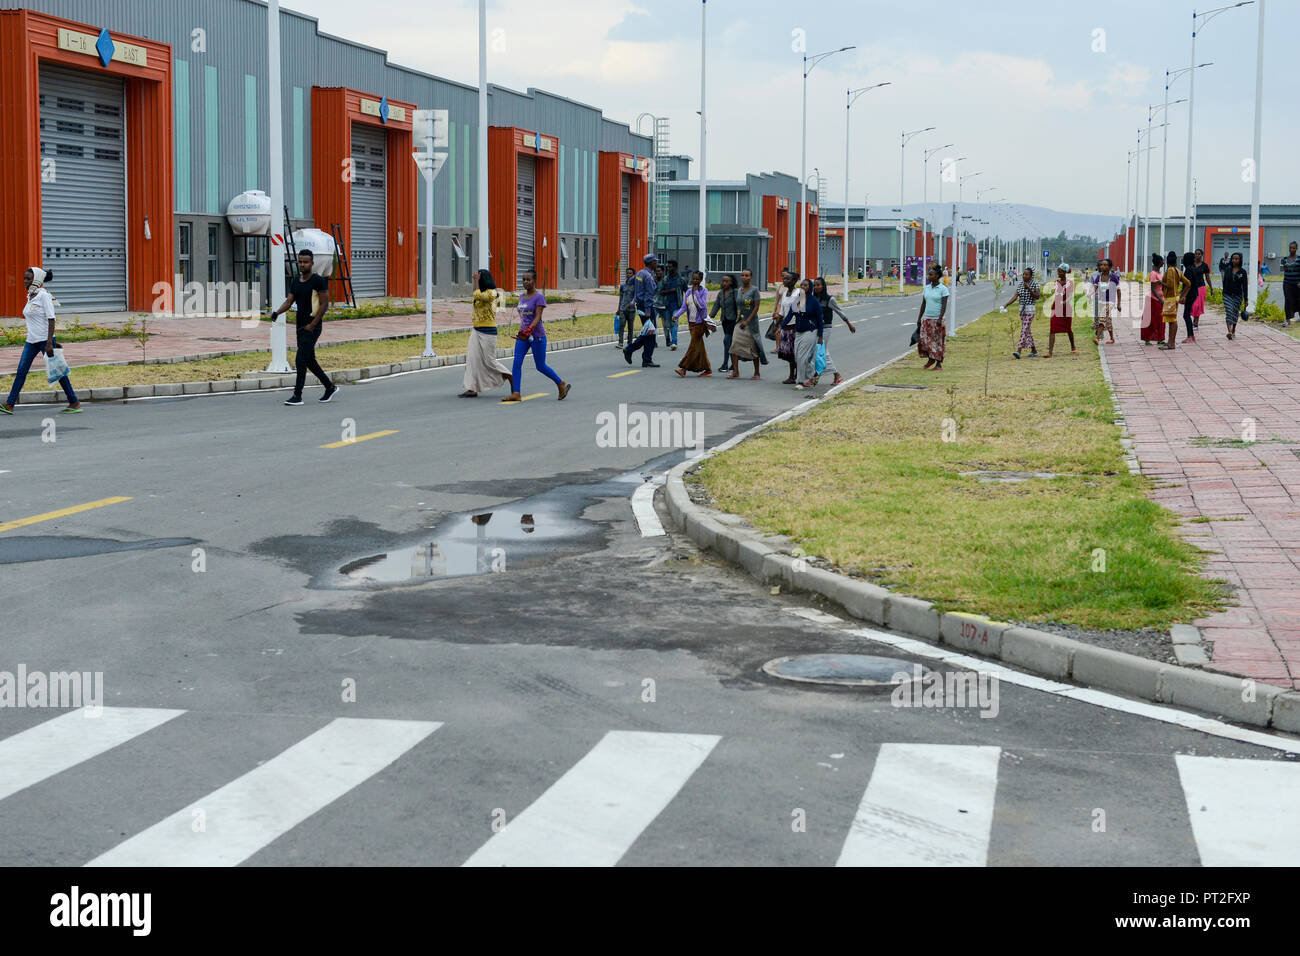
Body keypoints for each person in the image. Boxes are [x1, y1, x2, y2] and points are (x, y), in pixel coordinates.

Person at [1, 267, 81, 415]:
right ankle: (10, 404)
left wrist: (50, 342)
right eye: (24, 278)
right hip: (31, 340)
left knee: (58, 372)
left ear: (36, 280)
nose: (25, 281)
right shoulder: (30, 296)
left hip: (45, 340)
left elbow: (51, 319)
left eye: (28, 278)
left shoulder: (43, 296)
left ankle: (74, 402)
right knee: (21, 371)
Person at [271, 248, 336, 406]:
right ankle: (330, 387)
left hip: (312, 326)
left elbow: (324, 304)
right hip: (300, 326)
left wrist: (313, 324)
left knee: (300, 359)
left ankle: (297, 395)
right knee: (309, 360)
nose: (302, 264)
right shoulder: (296, 281)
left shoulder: (318, 281)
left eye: (305, 262)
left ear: (312, 263)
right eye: (300, 261)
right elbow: (289, 301)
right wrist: (277, 312)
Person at [501, 270, 570, 402]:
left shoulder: (539, 297)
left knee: (540, 366)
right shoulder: (521, 297)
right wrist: (523, 331)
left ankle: (560, 383)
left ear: (534, 281)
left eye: (529, 279)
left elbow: (538, 316)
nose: (526, 282)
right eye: (524, 280)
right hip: (523, 337)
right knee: (516, 363)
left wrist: (530, 329)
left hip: (537, 336)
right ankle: (516, 393)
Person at [459, 269, 513, 398]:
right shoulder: (482, 292)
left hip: (488, 332)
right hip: (476, 330)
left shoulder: (493, 293)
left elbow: (479, 296)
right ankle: (472, 388)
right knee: (472, 359)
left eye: (478, 277)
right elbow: (476, 294)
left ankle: (510, 376)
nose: (476, 278)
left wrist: (476, 281)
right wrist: (476, 282)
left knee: (489, 361)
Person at [811, 276, 856, 386]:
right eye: (815, 285)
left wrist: (849, 324)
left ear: (823, 286)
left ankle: (835, 375)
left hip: (826, 329)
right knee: (817, 353)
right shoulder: (813, 299)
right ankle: (818, 374)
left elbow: (839, 311)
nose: (816, 287)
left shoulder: (829, 299)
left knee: (821, 352)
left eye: (818, 285)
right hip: (814, 329)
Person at [780, 277, 823, 390]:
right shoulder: (798, 300)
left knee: (802, 357)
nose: (803, 287)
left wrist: (820, 335)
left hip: (810, 331)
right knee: (797, 356)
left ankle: (801, 381)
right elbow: (790, 315)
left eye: (806, 285)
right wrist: (781, 326)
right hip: (798, 331)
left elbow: (819, 319)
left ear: (810, 287)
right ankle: (812, 374)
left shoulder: (814, 301)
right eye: (802, 285)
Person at [623, 254, 661, 368]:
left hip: (640, 305)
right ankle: (632, 350)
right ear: (651, 263)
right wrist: (648, 310)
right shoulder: (648, 277)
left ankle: (644, 358)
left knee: (648, 332)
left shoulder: (640, 273)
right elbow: (649, 295)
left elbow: (630, 281)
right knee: (650, 332)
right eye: (655, 261)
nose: (657, 263)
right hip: (646, 307)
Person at [673, 271, 713, 377]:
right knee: (699, 346)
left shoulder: (704, 291)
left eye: (697, 279)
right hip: (691, 323)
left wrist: (696, 293)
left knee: (693, 346)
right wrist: (676, 316)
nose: (695, 281)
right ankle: (707, 369)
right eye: (693, 279)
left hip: (700, 323)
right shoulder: (688, 292)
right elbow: (684, 307)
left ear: (700, 280)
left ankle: (683, 368)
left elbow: (702, 305)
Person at [916, 263, 950, 371]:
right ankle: (931, 358)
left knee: (938, 341)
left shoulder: (943, 289)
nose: (928, 276)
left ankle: (938, 364)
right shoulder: (926, 288)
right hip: (927, 319)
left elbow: (944, 305)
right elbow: (923, 304)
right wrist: (919, 318)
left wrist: (940, 318)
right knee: (924, 341)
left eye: (930, 275)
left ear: (936, 276)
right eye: (928, 274)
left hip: (937, 319)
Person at [1004, 267, 1040, 359]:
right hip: (1022, 310)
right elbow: (1015, 296)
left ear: (1031, 276)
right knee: (1027, 331)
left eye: (1026, 274)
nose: (1024, 276)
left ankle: (1018, 351)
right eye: (1023, 274)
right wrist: (1006, 304)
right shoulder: (1020, 285)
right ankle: (1034, 351)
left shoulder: (1035, 284)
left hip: (1030, 310)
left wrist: (1029, 288)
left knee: (1024, 330)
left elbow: (1037, 296)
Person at [774, 271, 803, 383]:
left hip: (796, 327)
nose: (784, 281)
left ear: (794, 281)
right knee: (789, 354)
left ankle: (798, 375)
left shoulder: (800, 293)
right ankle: (792, 375)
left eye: (788, 279)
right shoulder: (785, 294)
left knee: (797, 353)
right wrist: (777, 324)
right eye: (784, 279)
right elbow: (782, 311)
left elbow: (803, 310)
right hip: (786, 327)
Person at [1159, 251, 1190, 350]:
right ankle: (1170, 342)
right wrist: (1182, 294)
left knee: (1172, 321)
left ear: (1167, 261)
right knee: (1171, 321)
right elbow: (1188, 283)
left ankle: (1171, 343)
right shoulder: (1177, 270)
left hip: (1170, 299)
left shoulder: (1170, 271)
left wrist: (1160, 282)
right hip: (1174, 298)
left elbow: (1169, 285)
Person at [1045, 264, 1076, 357]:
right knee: (1052, 328)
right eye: (1058, 271)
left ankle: (1073, 347)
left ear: (1065, 272)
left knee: (1068, 329)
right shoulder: (1056, 282)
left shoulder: (1070, 283)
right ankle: (1050, 352)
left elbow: (1070, 296)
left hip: (1066, 308)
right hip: (1056, 307)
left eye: (1060, 271)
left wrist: (1064, 302)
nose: (1058, 273)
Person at [738, 268, 767, 366]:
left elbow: (756, 307)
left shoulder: (754, 290)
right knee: (737, 343)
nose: (744, 277)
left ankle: (757, 371)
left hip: (751, 321)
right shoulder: (739, 290)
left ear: (751, 277)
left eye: (747, 275)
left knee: (754, 344)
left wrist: (748, 320)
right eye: (742, 275)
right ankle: (735, 370)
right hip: (740, 322)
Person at [1087, 258, 1120, 345]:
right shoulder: (1099, 277)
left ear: (1109, 267)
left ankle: (1097, 338)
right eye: (1102, 265)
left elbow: (1118, 291)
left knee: (1102, 319)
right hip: (1101, 301)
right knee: (1108, 320)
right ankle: (1112, 338)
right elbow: (1095, 287)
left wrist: (1119, 303)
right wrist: (1090, 293)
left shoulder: (1114, 277)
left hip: (1110, 302)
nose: (1102, 266)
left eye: (1105, 265)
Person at [711, 273, 739, 372]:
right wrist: (710, 316)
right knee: (730, 343)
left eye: (727, 281)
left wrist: (740, 318)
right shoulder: (721, 293)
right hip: (724, 320)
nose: (724, 283)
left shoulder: (735, 292)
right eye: (723, 281)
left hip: (733, 320)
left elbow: (739, 305)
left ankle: (725, 364)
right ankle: (733, 364)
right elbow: (716, 305)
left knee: (726, 341)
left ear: (731, 283)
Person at [1182, 249, 1211, 340]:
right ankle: (1191, 334)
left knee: (1189, 312)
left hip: (1194, 291)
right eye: (1196, 254)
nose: (1197, 256)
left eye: (1199, 254)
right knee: (1188, 312)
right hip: (1194, 291)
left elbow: (1188, 284)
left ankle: (1191, 333)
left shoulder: (1190, 270)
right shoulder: (1192, 268)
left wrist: (1183, 295)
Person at [658, 260, 686, 349]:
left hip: (677, 306)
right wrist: (670, 291)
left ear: (675, 267)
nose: (668, 268)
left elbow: (687, 291)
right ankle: (671, 340)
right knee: (668, 325)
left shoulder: (681, 280)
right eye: (667, 267)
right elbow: (661, 292)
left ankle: (674, 342)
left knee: (674, 323)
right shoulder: (665, 279)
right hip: (667, 306)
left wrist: (687, 303)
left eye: (670, 267)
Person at [1221, 252, 1248, 340]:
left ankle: (1233, 331)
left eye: (1236, 259)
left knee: (1235, 314)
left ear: (1240, 260)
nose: (1234, 260)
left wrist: (1246, 299)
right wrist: (1223, 293)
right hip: (1227, 295)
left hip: (1238, 296)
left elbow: (1245, 286)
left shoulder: (1243, 272)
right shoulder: (1227, 270)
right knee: (1229, 312)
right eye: (1233, 259)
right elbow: (1224, 282)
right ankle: (1229, 331)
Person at [1140, 252, 1166, 346]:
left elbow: (1160, 285)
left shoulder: (1160, 273)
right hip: (1153, 299)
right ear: (1159, 262)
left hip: (1160, 298)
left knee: (1161, 319)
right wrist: (1159, 299)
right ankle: (1147, 338)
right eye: (1162, 261)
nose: (1163, 263)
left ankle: (1160, 338)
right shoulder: (1153, 273)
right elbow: (1153, 288)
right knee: (1150, 319)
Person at [615, 267, 638, 347]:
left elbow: (636, 297)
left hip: (631, 310)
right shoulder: (623, 285)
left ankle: (629, 342)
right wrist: (618, 308)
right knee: (621, 325)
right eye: (627, 273)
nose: (628, 275)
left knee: (630, 327)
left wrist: (632, 303)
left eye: (630, 273)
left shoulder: (635, 286)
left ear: (633, 275)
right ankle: (620, 342)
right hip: (622, 308)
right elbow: (621, 297)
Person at [1281, 241, 1300, 328]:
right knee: (1288, 301)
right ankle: (1288, 321)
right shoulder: (1284, 259)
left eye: (1294, 248)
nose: (1292, 249)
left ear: (1296, 249)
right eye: (1290, 248)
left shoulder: (1299, 259)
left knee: (1299, 301)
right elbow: (1282, 270)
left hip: (1298, 284)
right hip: (1287, 283)